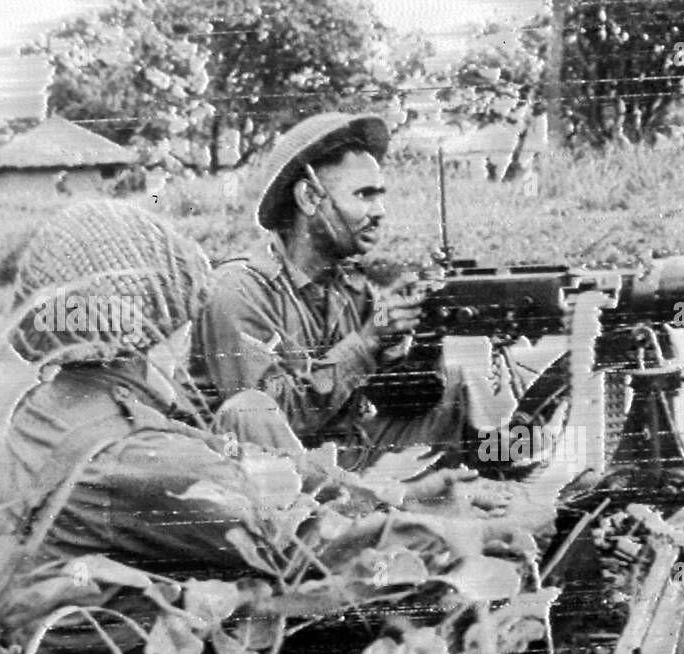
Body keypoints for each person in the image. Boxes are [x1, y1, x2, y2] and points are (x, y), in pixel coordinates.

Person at [0, 200, 528, 593]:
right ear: (152, 329)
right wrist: (483, 532)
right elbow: (311, 547)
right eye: (184, 318)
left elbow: (247, 467)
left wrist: (403, 496)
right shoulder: (141, 459)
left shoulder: (56, 406)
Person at [192, 113, 513, 475]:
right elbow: (269, 422)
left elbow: (388, 399)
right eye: (364, 195)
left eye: (379, 196)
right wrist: (367, 341)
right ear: (310, 197)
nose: (380, 212)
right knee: (248, 409)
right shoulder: (240, 291)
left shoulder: (350, 287)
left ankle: (514, 470)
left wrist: (415, 341)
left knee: (462, 386)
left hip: (342, 456)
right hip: (274, 481)